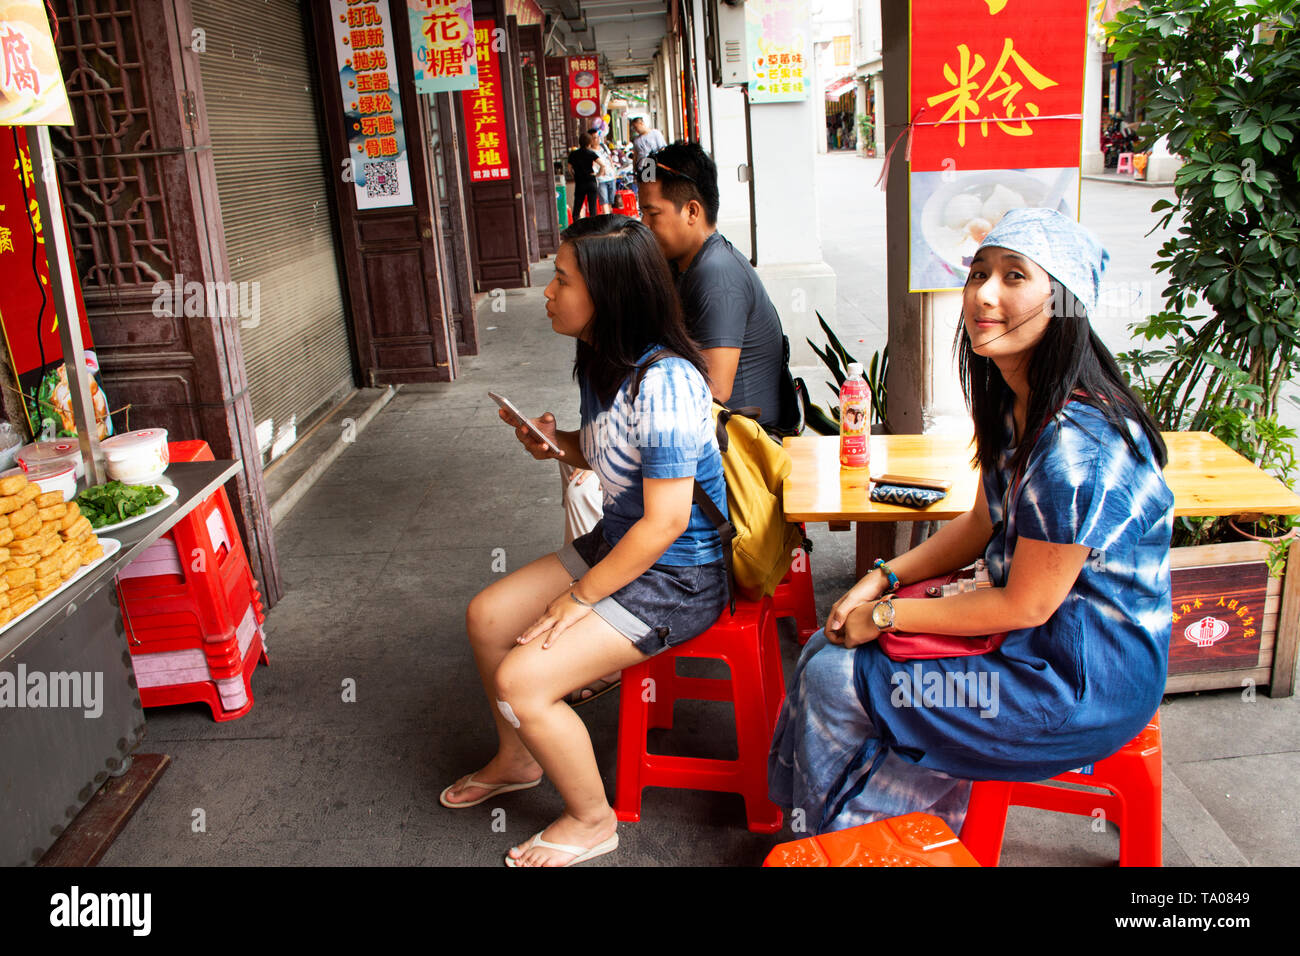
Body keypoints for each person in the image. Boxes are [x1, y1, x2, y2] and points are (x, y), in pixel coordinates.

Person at [769, 207, 1174, 836]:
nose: (985, 293)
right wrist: (881, 579)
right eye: (978, 273)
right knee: (826, 644)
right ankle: (847, 829)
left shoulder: (1077, 447)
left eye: (1015, 277)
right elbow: (982, 520)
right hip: (1027, 644)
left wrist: (886, 616)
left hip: (1074, 683)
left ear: (1063, 303)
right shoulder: (1018, 406)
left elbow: (1026, 605)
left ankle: (864, 837)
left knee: (836, 677)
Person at [441, 214, 730, 866]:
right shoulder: (602, 358)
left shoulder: (668, 384)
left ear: (608, 294)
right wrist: (554, 445)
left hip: (680, 576)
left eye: (561, 280)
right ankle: (519, 759)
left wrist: (577, 600)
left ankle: (592, 820)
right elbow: (603, 455)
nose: (547, 292)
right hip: (621, 543)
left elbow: (667, 522)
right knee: (487, 617)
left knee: (522, 677)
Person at [637, 141, 787, 433]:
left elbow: (714, 389)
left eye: (652, 214)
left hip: (740, 453)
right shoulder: (682, 264)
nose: (644, 225)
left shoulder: (717, 274)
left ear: (692, 211)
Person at [567, 132, 601, 220]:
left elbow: (569, 168)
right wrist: (598, 174)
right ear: (589, 143)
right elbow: (602, 165)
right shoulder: (591, 153)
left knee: (577, 206)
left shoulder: (573, 154)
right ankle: (593, 227)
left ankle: (576, 226)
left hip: (580, 182)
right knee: (593, 207)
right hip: (591, 181)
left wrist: (574, 175)